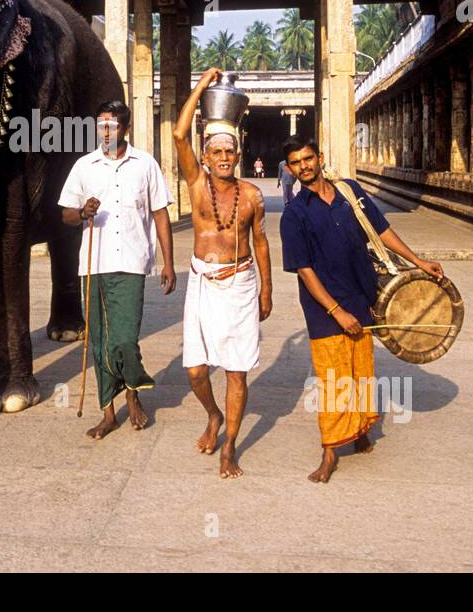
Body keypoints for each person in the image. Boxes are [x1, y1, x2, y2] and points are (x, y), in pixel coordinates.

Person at [278, 137, 443, 483]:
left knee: (361, 370)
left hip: (361, 294)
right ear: (289, 169)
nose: (304, 166)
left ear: (319, 158)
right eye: (296, 162)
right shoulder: (294, 214)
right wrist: (337, 311)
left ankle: (362, 428)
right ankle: (329, 451)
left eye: (308, 158)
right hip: (324, 307)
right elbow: (304, 270)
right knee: (334, 378)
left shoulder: (349, 192)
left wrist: (418, 261)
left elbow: (382, 231)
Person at [173, 68, 272, 478]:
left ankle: (230, 444)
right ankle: (213, 415)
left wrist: (267, 291)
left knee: (236, 369)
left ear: (237, 155)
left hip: (240, 283)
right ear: (207, 157)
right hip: (202, 284)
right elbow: (180, 136)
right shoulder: (197, 185)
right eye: (217, 153)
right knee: (195, 370)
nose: (225, 158)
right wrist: (199, 85)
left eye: (230, 152)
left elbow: (262, 243)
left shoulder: (251, 195)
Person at [59, 100, 175, 440]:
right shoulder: (84, 166)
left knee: (124, 339)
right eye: (100, 125)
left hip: (133, 263)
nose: (105, 131)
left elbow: (160, 214)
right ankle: (109, 412)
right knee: (99, 342)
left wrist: (168, 262)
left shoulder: (145, 165)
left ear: (125, 129)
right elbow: (65, 213)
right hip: (94, 265)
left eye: (111, 125)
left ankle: (133, 390)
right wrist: (82, 212)